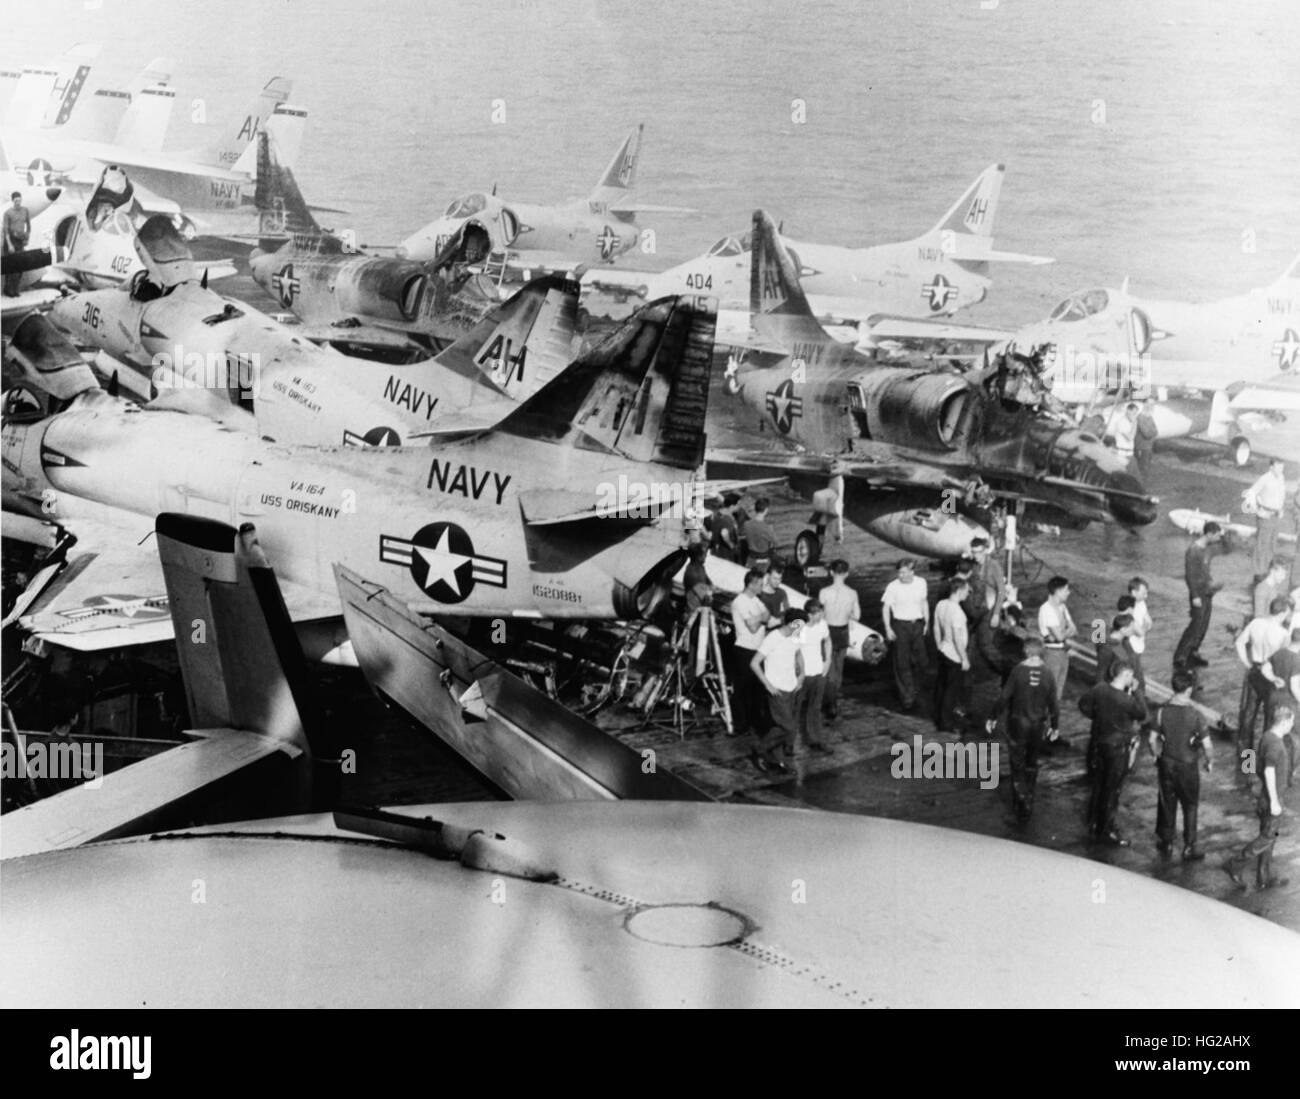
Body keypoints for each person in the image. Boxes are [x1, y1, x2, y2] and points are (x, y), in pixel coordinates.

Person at [1079, 660, 1148, 845]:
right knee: (1112, 789)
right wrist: (1137, 691)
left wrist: (1098, 717)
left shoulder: (1099, 689)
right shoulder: (1126, 700)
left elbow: (1083, 705)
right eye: (1131, 676)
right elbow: (1143, 714)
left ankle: (1094, 821)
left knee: (1099, 783)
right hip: (1118, 746)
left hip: (1100, 741)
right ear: (1125, 675)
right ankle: (1107, 828)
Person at [1225, 706, 1294, 892]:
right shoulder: (1275, 745)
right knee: (1267, 836)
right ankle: (1236, 863)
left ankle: (1264, 876)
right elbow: (1269, 771)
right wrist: (1274, 801)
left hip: (1265, 794)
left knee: (1270, 836)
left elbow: (1251, 761)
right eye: (1292, 721)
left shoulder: (1266, 736)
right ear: (1285, 721)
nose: (1293, 725)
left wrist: (1253, 782)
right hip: (1271, 797)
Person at [1148, 670, 1213, 860]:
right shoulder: (1196, 715)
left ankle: (1166, 842)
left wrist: (1156, 755)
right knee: (1190, 805)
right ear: (1190, 689)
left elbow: (1152, 740)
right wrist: (1209, 761)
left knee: (1167, 802)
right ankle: (1189, 846)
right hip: (1188, 766)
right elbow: (1208, 746)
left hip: (1166, 763)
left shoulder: (1160, 712)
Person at [993, 636, 1059, 822]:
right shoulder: (1048, 673)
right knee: (1032, 762)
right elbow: (1053, 703)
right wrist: (1055, 726)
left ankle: (1020, 804)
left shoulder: (1018, 671)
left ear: (1026, 651)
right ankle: (1029, 797)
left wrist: (992, 716)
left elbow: (1004, 697)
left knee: (1017, 763)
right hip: (1038, 724)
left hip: (1019, 722)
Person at [1234, 596, 1292, 772]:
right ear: (1282, 613)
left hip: (1254, 671)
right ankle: (1266, 766)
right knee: (1270, 721)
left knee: (1248, 719)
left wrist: (1247, 663)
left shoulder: (1256, 623)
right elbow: (1283, 659)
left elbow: (1239, 642)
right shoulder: (1283, 634)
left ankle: (1247, 765)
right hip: (1272, 678)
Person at [750, 608, 807, 773]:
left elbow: (798, 653)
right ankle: (759, 750)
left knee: (781, 726)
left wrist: (802, 674)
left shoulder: (795, 637)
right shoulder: (773, 638)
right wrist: (768, 684)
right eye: (801, 625)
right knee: (788, 727)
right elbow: (754, 663)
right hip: (777, 690)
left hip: (791, 687)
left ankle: (778, 761)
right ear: (792, 624)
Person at [1172, 522, 1225, 672]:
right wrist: (1194, 595)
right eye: (1217, 535)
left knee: (1203, 625)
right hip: (1198, 593)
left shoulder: (1208, 549)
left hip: (1208, 591)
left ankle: (1193, 652)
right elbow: (1189, 575)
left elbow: (1225, 549)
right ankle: (1180, 656)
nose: (1218, 538)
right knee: (1195, 625)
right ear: (1209, 534)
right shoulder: (1193, 550)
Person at [881, 558, 929, 711]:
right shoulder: (893, 587)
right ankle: (907, 697)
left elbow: (924, 601)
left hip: (917, 625)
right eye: (899, 572)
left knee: (921, 661)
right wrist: (888, 628)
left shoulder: (921, 583)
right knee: (902, 662)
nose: (900, 575)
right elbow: (886, 608)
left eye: (903, 572)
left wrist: (927, 621)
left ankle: (916, 691)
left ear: (911, 572)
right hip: (900, 625)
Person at [729, 570, 769, 742]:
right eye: (760, 584)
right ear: (751, 584)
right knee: (743, 688)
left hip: (757, 648)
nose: (762, 587)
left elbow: (767, 616)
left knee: (757, 688)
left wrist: (758, 618)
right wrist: (761, 618)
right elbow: (753, 627)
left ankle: (755, 721)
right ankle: (741, 723)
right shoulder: (740, 602)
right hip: (744, 648)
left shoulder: (756, 600)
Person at [820, 559, 860, 723]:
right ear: (847, 574)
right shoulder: (852, 593)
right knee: (838, 668)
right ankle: (833, 700)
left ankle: (829, 702)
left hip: (828, 631)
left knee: (827, 668)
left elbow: (820, 615)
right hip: (843, 632)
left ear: (831, 572)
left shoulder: (824, 592)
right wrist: (846, 614)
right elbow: (857, 616)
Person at [932, 578, 971, 734]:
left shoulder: (941, 605)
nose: (967, 594)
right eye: (967, 591)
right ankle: (946, 723)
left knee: (941, 686)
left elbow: (936, 626)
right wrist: (964, 658)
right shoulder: (958, 612)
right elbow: (957, 638)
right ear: (960, 591)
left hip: (943, 650)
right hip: (954, 655)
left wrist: (938, 645)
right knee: (951, 691)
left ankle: (939, 717)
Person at [795, 600, 832, 754]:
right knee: (794, 709)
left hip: (818, 673)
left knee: (815, 708)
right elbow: (794, 651)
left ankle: (815, 740)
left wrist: (828, 660)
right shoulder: (799, 628)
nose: (821, 616)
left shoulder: (822, 624)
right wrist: (798, 672)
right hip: (802, 675)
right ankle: (787, 743)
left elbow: (828, 641)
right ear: (809, 614)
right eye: (818, 613)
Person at [1244, 458, 1287, 580]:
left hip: (1276, 516)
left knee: (1272, 544)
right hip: (1265, 515)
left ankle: (1268, 570)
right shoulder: (1265, 478)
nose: (1280, 470)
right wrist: (1258, 510)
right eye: (1278, 467)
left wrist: (1281, 508)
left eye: (1282, 467)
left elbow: (1281, 495)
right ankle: (1258, 573)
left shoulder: (1281, 478)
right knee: (1262, 544)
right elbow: (1250, 493)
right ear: (1271, 467)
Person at [1037, 576, 1077, 709]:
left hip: (1062, 652)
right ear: (1058, 591)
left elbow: (1074, 629)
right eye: (1066, 589)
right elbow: (1060, 636)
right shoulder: (1046, 609)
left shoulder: (1062, 607)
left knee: (1057, 692)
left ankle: (1050, 722)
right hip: (1052, 654)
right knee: (1049, 691)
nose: (1068, 592)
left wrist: (1061, 635)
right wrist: (1064, 633)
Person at [1097, 613, 1144, 697]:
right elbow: (1101, 674)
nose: (1134, 630)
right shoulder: (1107, 649)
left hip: (1131, 686)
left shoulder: (1125, 640)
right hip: (1117, 691)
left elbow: (1140, 633)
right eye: (1131, 627)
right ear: (1123, 630)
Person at [965, 536, 1005, 627]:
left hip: (990, 609)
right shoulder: (973, 566)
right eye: (973, 552)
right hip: (976, 609)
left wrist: (996, 614)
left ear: (984, 551)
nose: (976, 556)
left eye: (979, 552)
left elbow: (1001, 591)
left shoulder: (994, 566)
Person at [3, 191, 31, 297]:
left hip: (20, 241)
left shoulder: (25, 211)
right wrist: (10, 245)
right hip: (10, 240)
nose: (18, 203)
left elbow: (28, 225)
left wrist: (27, 237)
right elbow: (5, 231)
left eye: (19, 200)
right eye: (16, 201)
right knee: (11, 266)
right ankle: (8, 289)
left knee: (20, 267)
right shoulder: (8, 213)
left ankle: (15, 289)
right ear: (12, 201)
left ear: (21, 200)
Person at [1122, 577, 1153, 663]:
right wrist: (1142, 629)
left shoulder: (1142, 603)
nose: (1146, 596)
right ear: (1134, 593)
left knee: (1135, 663)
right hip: (1130, 642)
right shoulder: (1129, 607)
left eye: (1146, 593)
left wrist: (1144, 628)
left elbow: (1149, 621)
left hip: (1139, 642)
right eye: (1143, 594)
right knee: (1134, 666)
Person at [742, 497, 777, 569]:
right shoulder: (767, 528)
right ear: (766, 510)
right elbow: (776, 542)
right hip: (763, 559)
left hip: (751, 558)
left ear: (755, 509)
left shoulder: (746, 524)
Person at [1253, 557, 1292, 621]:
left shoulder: (1273, 587)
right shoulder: (1262, 589)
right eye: (1282, 574)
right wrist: (1280, 617)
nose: (1284, 577)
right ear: (1272, 571)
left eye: (1285, 575)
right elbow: (1258, 618)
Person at [757, 559, 789, 627]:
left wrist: (778, 621)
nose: (777, 582)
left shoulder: (782, 593)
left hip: (780, 629)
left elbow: (789, 613)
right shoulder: (759, 594)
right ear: (768, 576)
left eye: (779, 579)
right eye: (775, 578)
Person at [710, 493, 740, 562]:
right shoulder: (728, 520)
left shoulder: (717, 513)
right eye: (738, 504)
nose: (739, 506)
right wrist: (731, 545)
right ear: (732, 506)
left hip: (715, 549)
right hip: (725, 552)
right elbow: (724, 534)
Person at [1133, 399, 1159, 479]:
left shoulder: (1150, 417)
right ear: (1144, 404)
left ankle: (1142, 484)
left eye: (1152, 404)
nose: (1150, 406)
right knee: (1141, 469)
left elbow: (1156, 431)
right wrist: (1152, 431)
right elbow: (1147, 433)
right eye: (1149, 404)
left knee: (1145, 469)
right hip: (1141, 447)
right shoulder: (1140, 417)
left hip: (1148, 448)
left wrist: (1151, 431)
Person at [1110, 402, 1139, 467]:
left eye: (1136, 413)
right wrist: (1135, 424)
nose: (1135, 415)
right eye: (1134, 413)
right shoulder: (1122, 422)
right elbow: (1130, 438)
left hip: (1129, 453)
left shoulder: (1129, 422)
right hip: (1122, 454)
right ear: (1128, 411)